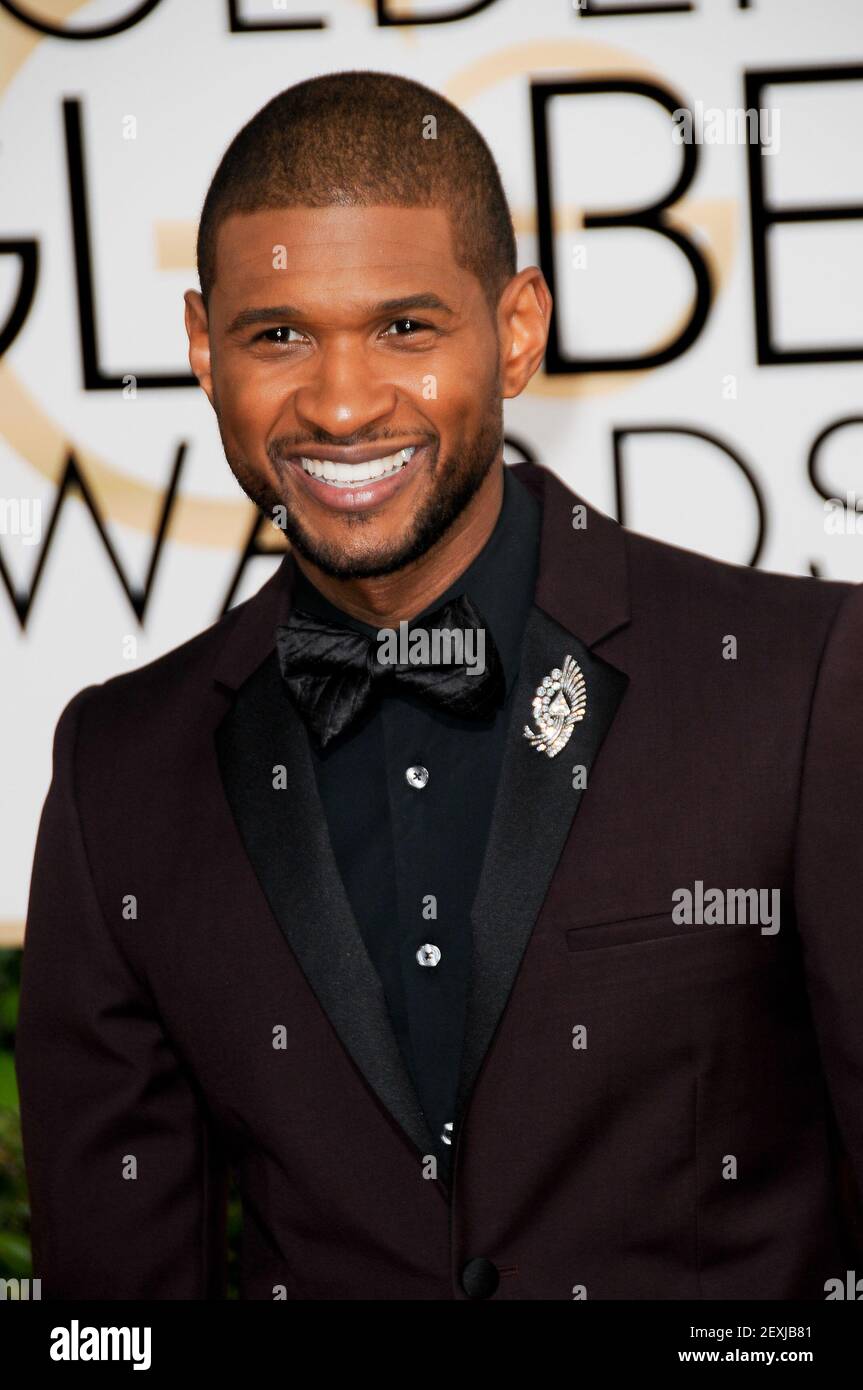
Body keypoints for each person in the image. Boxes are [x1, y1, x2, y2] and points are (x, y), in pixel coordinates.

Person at [16, 69, 863, 1301]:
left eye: (405, 327)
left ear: (514, 331)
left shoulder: (794, 686)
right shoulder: (119, 771)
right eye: (279, 334)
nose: (343, 402)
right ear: (204, 346)